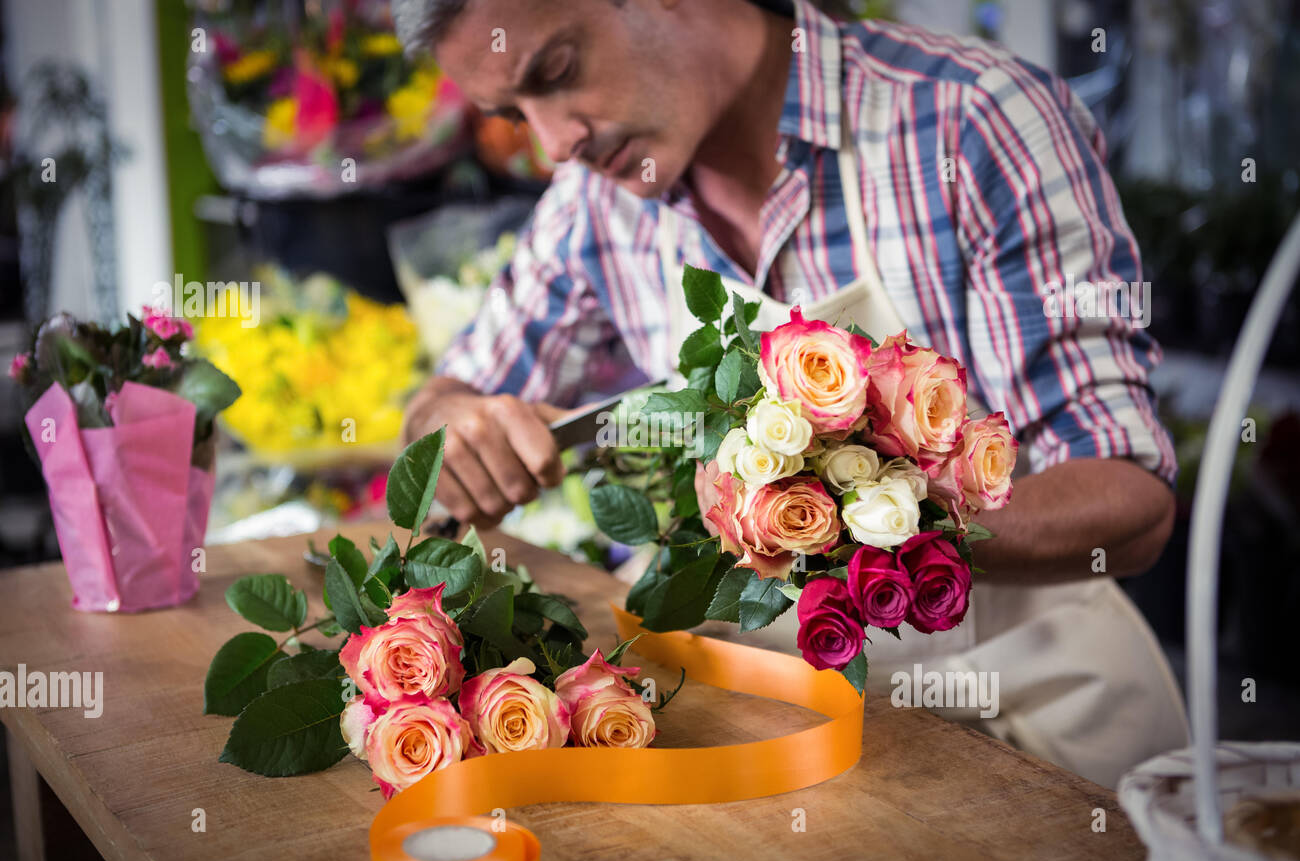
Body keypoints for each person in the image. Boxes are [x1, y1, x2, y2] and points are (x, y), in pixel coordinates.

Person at [396, 0, 1189, 788]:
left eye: (559, 71)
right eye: (512, 113)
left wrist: (861, 511)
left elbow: (1129, 498)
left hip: (1040, 718)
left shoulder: (971, 121)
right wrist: (455, 429)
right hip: (785, 733)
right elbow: (447, 401)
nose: (554, 143)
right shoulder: (595, 207)